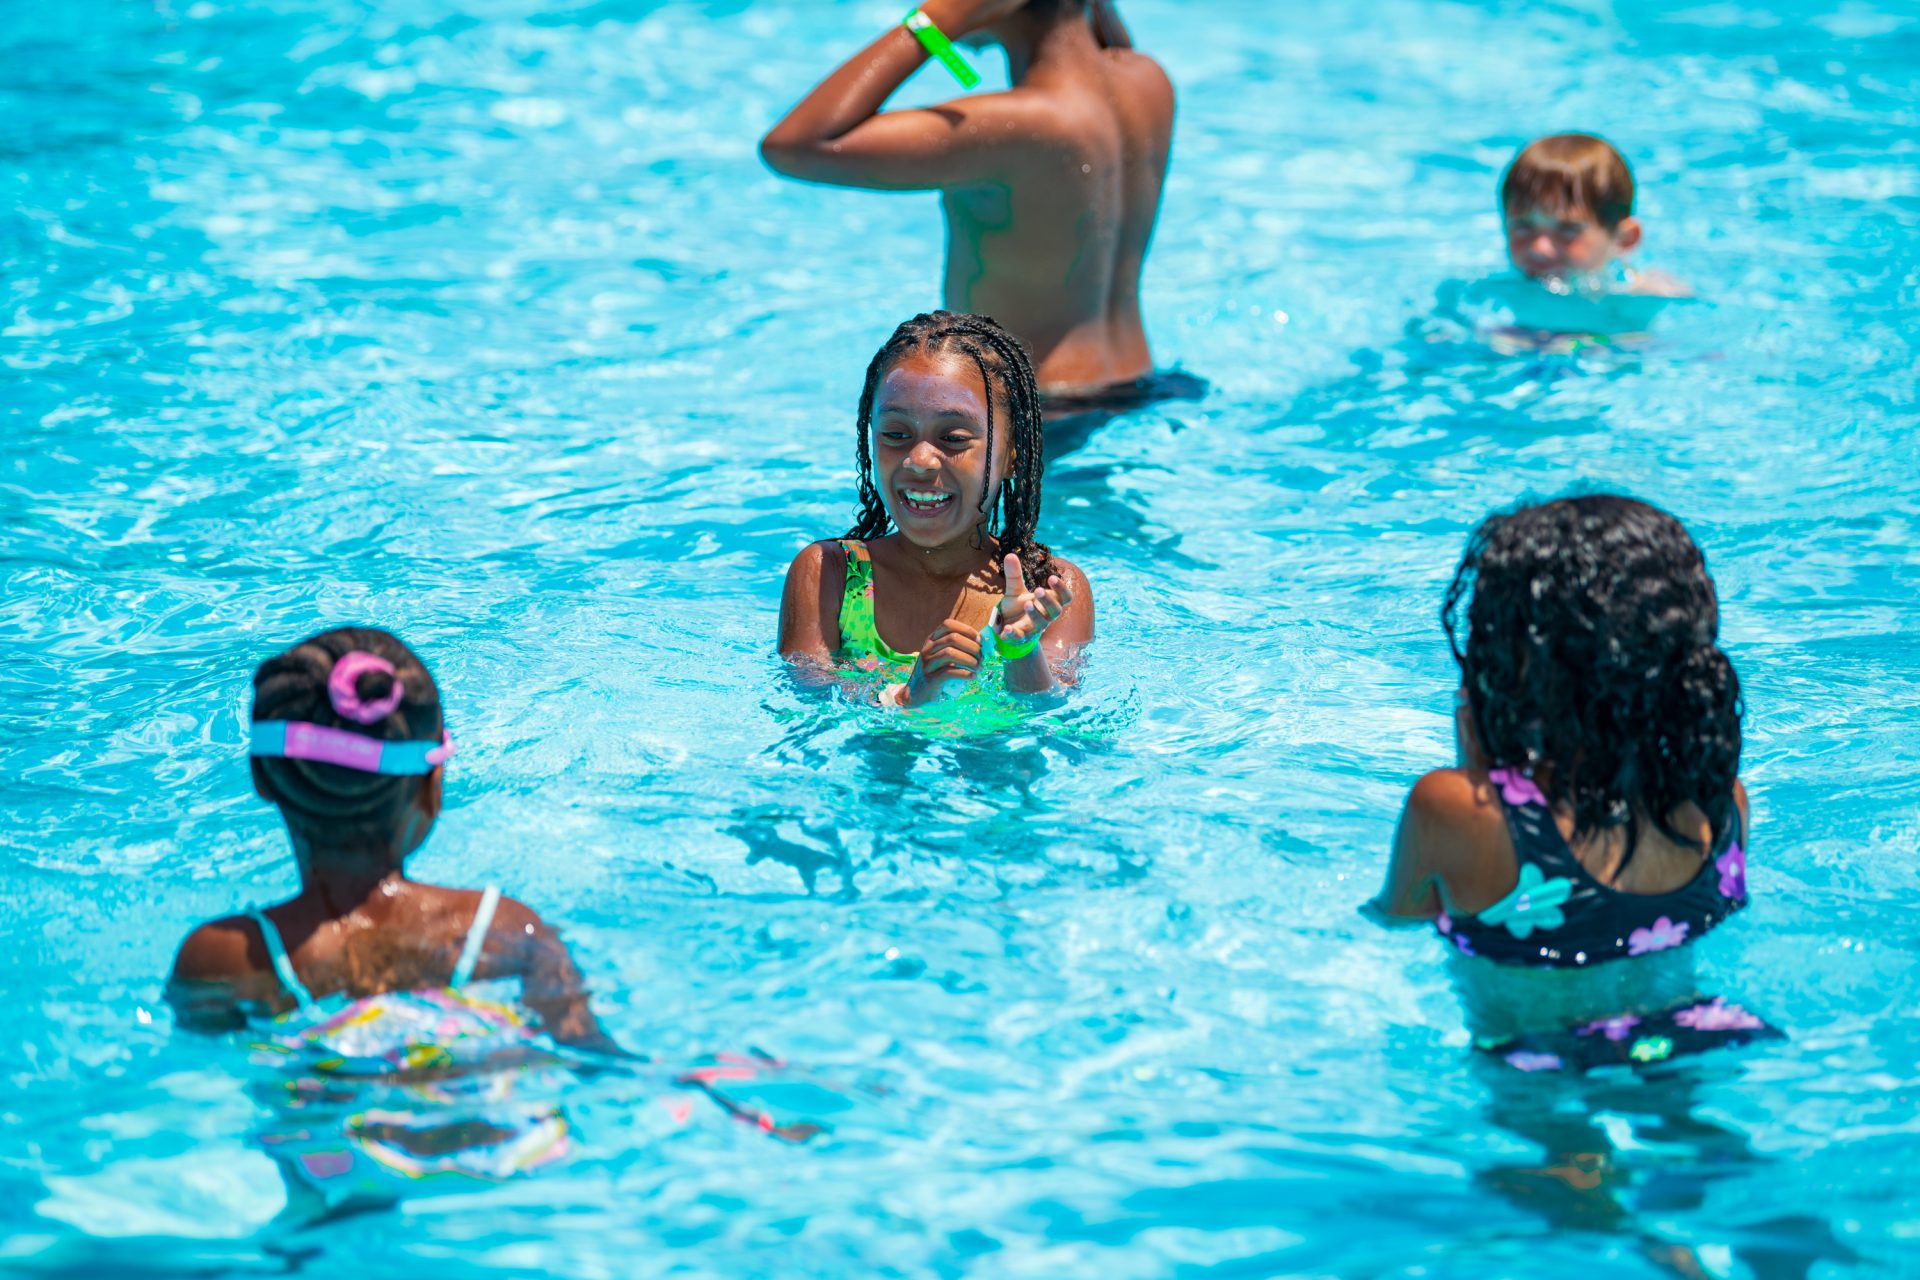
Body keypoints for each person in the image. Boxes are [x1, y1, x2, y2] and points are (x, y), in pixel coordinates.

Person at [168, 627, 622, 1200]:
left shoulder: (228, 955)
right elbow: (596, 1059)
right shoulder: (502, 930)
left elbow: (202, 1083)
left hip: (337, 1180)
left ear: (263, 779)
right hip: (516, 1171)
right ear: (433, 785)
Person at [1370, 495, 1780, 1072]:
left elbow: (1400, 916)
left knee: (1562, 1158)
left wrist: (1480, 765)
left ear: (1514, 656)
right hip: (1694, 1039)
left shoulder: (1456, 807)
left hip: (1537, 1057)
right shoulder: (1720, 802)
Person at [760, 1, 1195, 409]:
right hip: (1138, 380)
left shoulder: (1018, 127)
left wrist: (936, 21)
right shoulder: (1146, 81)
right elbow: (1097, 44)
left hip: (1036, 405)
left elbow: (794, 147)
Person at [778, 311, 1093, 707]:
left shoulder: (1051, 590)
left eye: (954, 437)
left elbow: (1051, 719)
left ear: (1012, 456)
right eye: (896, 434)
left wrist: (1020, 652)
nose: (920, 461)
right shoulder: (830, 576)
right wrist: (909, 697)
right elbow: (807, 704)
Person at [1500, 133, 1687, 298]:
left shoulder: (1648, 297)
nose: (1539, 248)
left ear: (1625, 238)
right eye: (1523, 226)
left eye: (1567, 229)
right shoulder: (1503, 291)